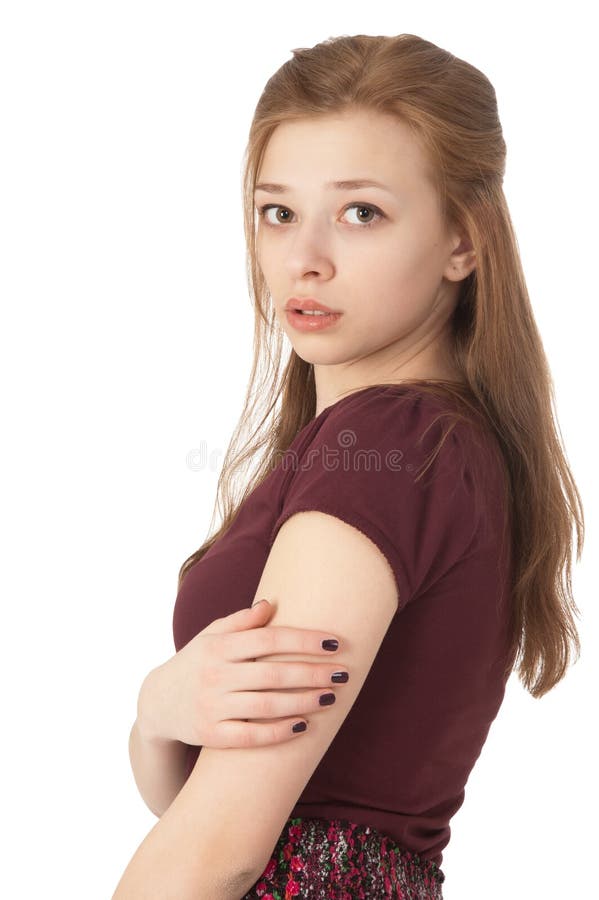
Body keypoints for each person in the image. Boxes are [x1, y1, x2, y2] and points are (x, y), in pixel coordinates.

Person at [113, 33, 584, 899]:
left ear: (462, 242)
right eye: (277, 212)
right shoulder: (417, 446)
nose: (304, 258)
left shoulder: (392, 446)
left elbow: (220, 850)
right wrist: (156, 714)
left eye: (360, 212)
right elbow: (211, 808)